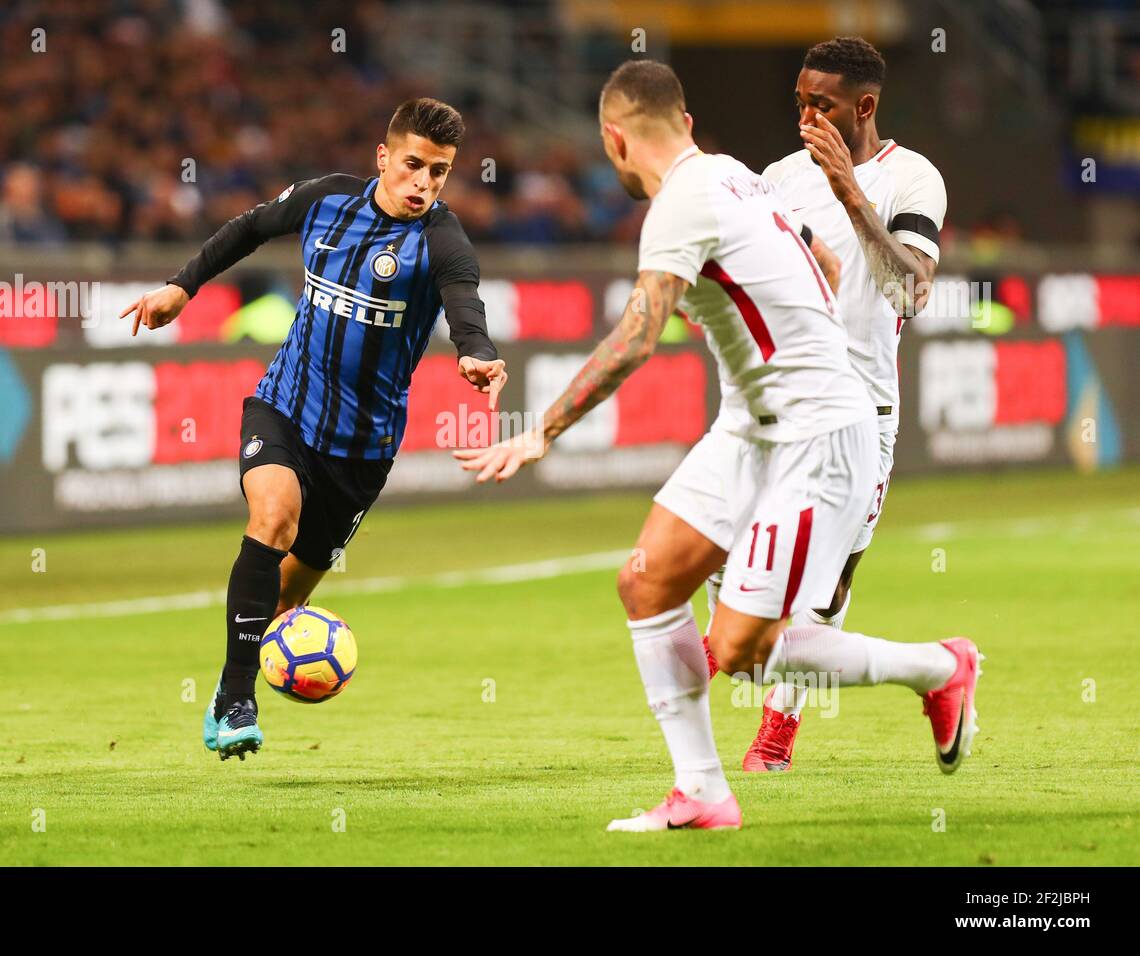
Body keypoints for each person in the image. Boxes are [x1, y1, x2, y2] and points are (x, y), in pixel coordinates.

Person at [455, 60, 979, 832]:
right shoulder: (740, 175)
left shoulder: (679, 207)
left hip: (818, 432)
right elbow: (825, 261)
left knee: (741, 648)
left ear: (614, 140)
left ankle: (941, 667)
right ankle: (701, 791)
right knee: (647, 583)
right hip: (750, 425)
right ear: (688, 125)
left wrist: (539, 432)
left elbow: (635, 340)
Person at [121, 98, 507, 760]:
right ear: (383, 158)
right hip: (284, 407)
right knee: (272, 515)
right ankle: (242, 697)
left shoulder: (441, 239)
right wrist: (183, 287)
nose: (423, 183)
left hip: (360, 453)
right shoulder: (325, 201)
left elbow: (463, 300)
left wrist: (474, 348)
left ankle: (225, 685)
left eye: (438, 172)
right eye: (413, 165)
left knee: (284, 600)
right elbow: (248, 228)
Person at [715, 36, 949, 772]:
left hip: (862, 415)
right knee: (729, 579)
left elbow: (909, 288)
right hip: (774, 407)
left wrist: (850, 191)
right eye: (799, 103)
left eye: (822, 104)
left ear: (865, 106)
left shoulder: (912, 178)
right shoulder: (777, 177)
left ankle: (777, 734)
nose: (806, 117)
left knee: (825, 589)